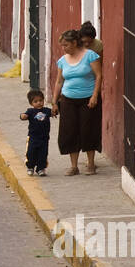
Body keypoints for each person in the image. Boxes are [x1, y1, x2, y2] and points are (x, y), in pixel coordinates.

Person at [51, 29, 101, 175]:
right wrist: (54, 101)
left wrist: (94, 96)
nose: (64, 48)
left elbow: (99, 76)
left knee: (88, 130)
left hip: (88, 99)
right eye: (62, 45)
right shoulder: (62, 60)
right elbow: (59, 81)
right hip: (68, 100)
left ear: (74, 42)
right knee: (70, 130)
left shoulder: (90, 56)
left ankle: (91, 164)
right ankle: (74, 166)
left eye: (66, 45)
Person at [20, 89, 53, 176]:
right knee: (31, 152)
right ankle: (30, 167)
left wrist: (55, 109)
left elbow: (54, 112)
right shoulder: (30, 111)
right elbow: (23, 116)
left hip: (44, 138)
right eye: (35, 101)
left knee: (43, 154)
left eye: (41, 101)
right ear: (31, 103)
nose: (39, 103)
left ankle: (41, 168)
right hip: (33, 137)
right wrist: (23, 116)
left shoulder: (46, 111)